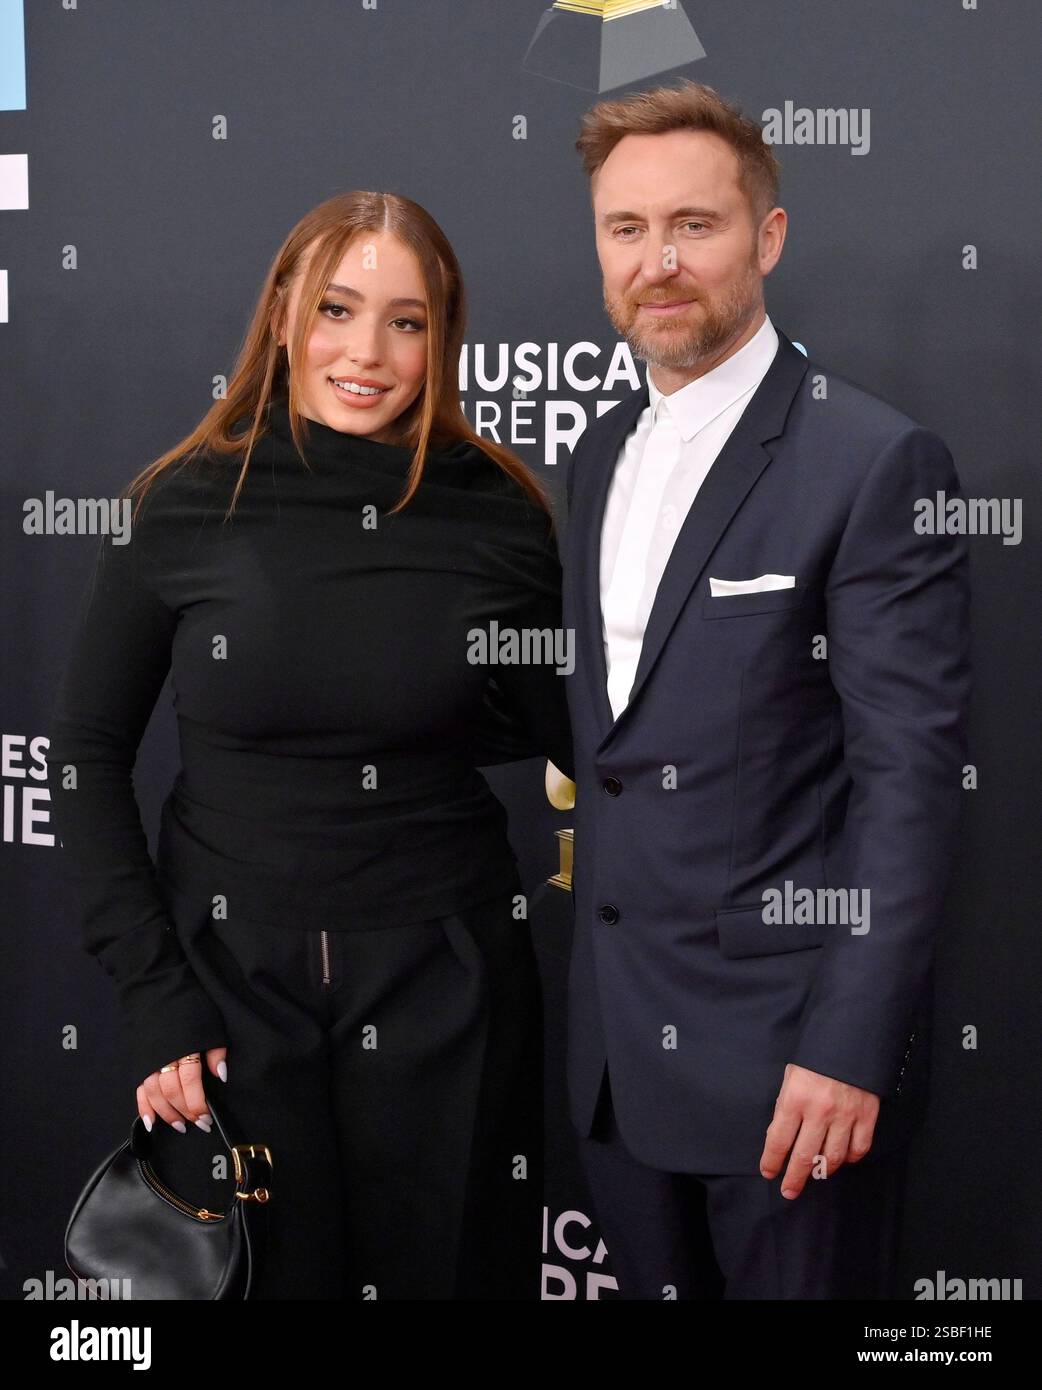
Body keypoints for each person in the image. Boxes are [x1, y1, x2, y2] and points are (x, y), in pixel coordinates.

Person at [45, 190, 574, 1300]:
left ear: (444, 336)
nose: (367, 352)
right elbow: (86, 754)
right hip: (229, 984)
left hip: (452, 982)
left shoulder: (500, 513)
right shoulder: (184, 502)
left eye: (407, 320)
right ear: (285, 310)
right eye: (338, 307)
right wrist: (156, 993)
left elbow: (563, 726)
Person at [560, 80, 971, 1299]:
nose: (659, 261)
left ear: (768, 237)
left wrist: (846, 1048)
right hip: (617, 1063)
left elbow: (908, 785)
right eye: (625, 230)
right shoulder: (594, 457)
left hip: (791, 1073)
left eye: (695, 223)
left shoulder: (873, 458)